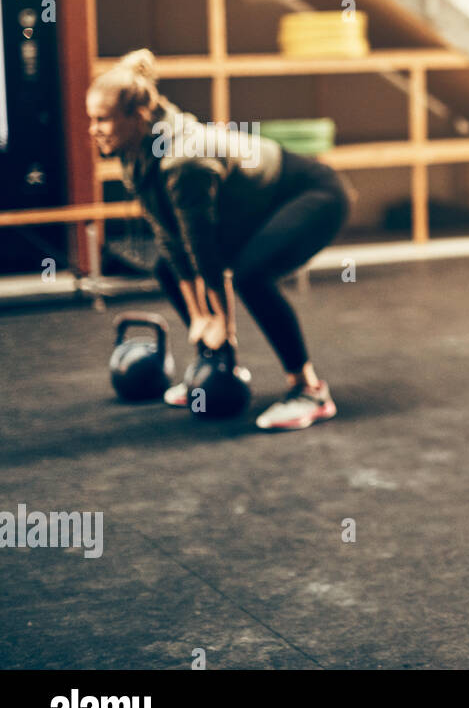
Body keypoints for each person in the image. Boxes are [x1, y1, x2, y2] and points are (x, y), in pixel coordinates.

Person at [86, 49, 349, 430]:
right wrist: (202, 320)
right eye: (91, 119)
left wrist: (218, 318)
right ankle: (216, 365)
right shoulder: (135, 150)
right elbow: (169, 239)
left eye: (102, 119)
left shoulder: (182, 161)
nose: (93, 128)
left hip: (312, 193)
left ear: (137, 116)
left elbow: (201, 250)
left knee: (250, 274)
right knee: (164, 265)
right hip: (256, 202)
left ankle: (309, 391)